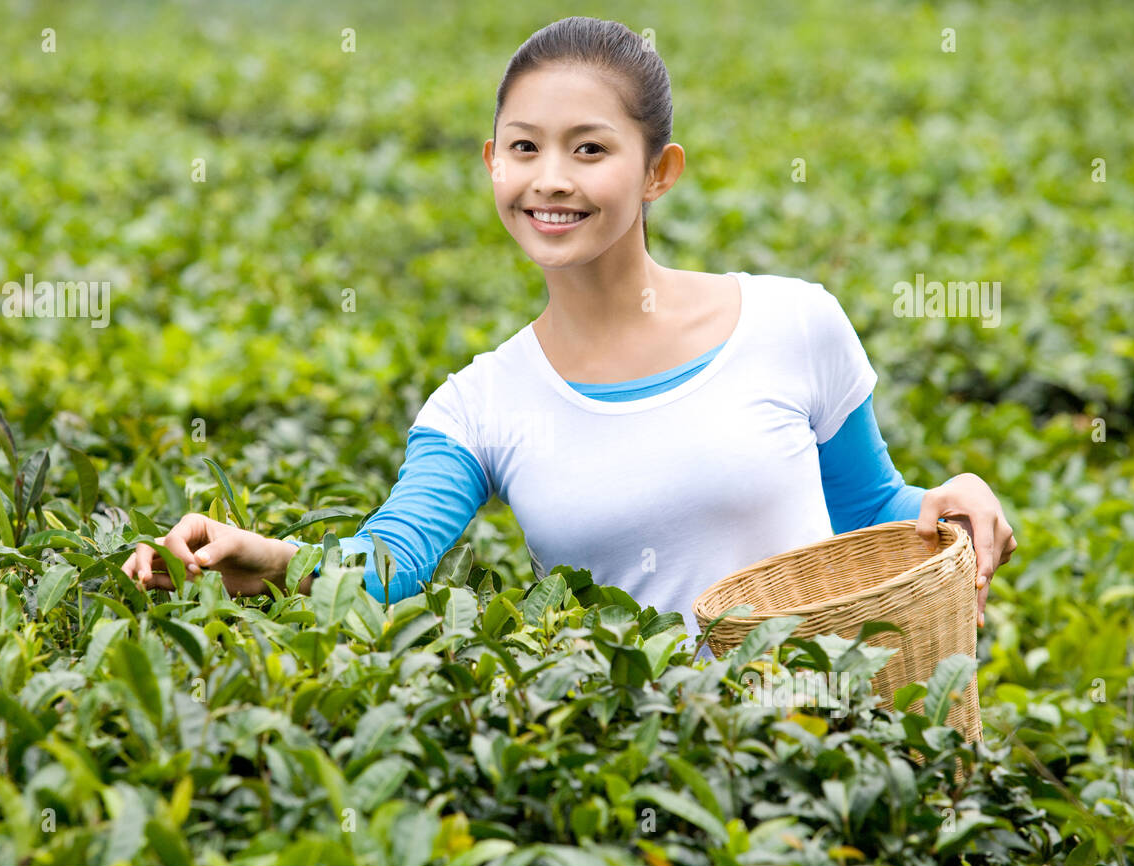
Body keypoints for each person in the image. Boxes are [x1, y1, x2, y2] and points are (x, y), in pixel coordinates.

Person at [124, 16, 1017, 657]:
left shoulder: (795, 322)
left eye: (589, 150)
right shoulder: (478, 406)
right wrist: (265, 558)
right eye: (524, 148)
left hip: (827, 758)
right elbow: (389, 562)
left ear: (658, 171)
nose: (551, 180)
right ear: (492, 162)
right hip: (634, 776)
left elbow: (867, 513)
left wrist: (948, 499)